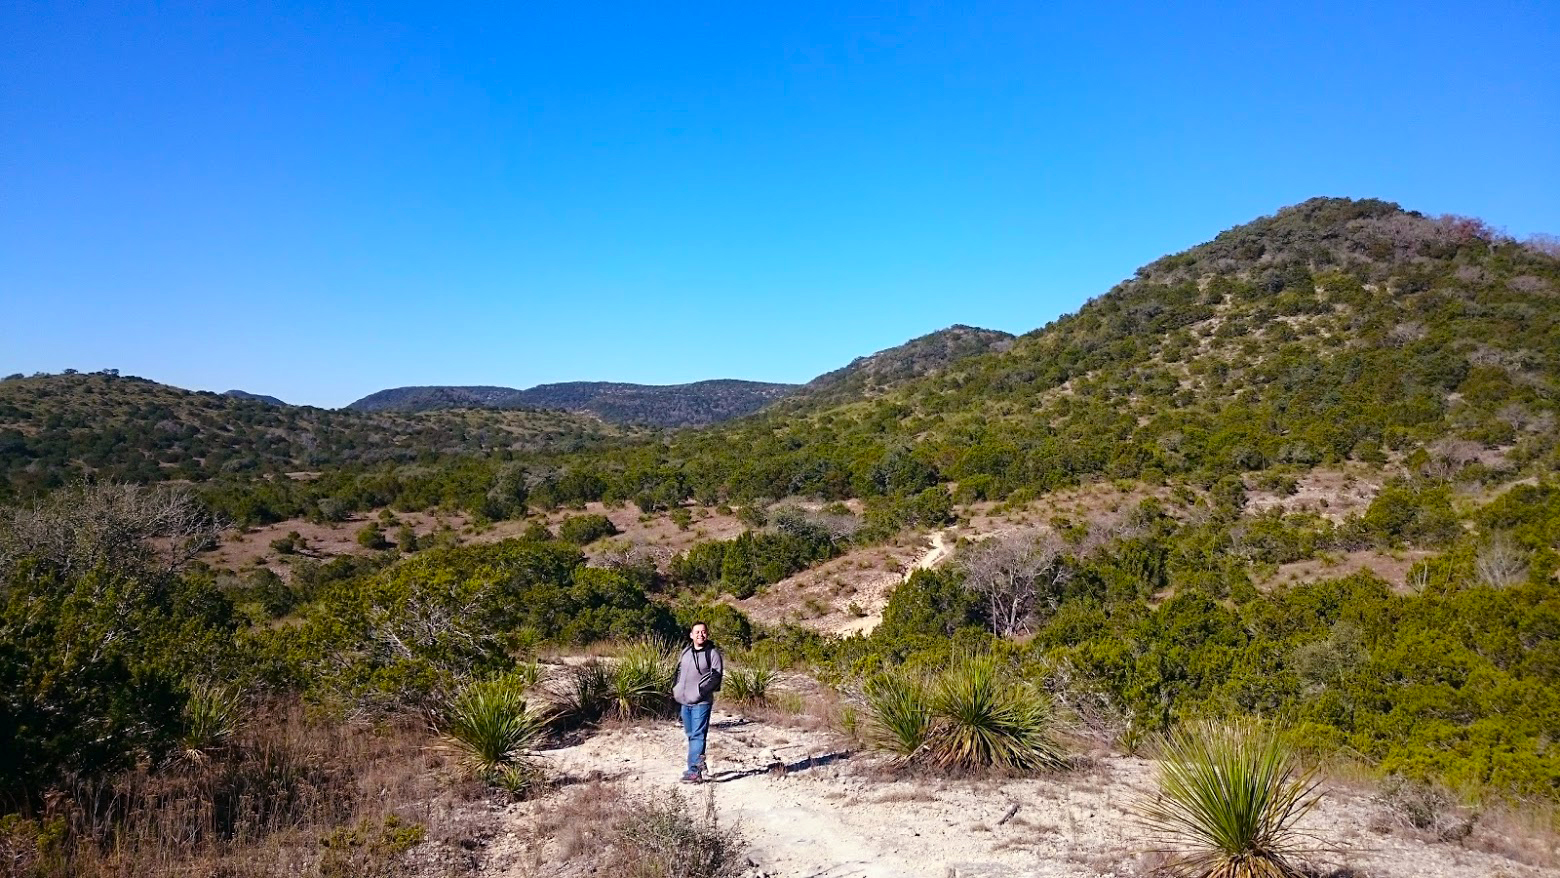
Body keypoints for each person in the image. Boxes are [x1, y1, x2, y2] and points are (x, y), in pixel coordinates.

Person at [671, 621, 724, 783]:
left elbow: (716, 677)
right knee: (690, 734)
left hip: (701, 702)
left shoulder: (712, 653)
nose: (700, 634)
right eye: (697, 632)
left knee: (698, 735)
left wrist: (700, 692)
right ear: (691, 635)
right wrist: (675, 689)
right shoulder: (686, 651)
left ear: (707, 634)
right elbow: (678, 672)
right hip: (684, 701)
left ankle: (694, 771)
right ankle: (700, 763)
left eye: (703, 632)